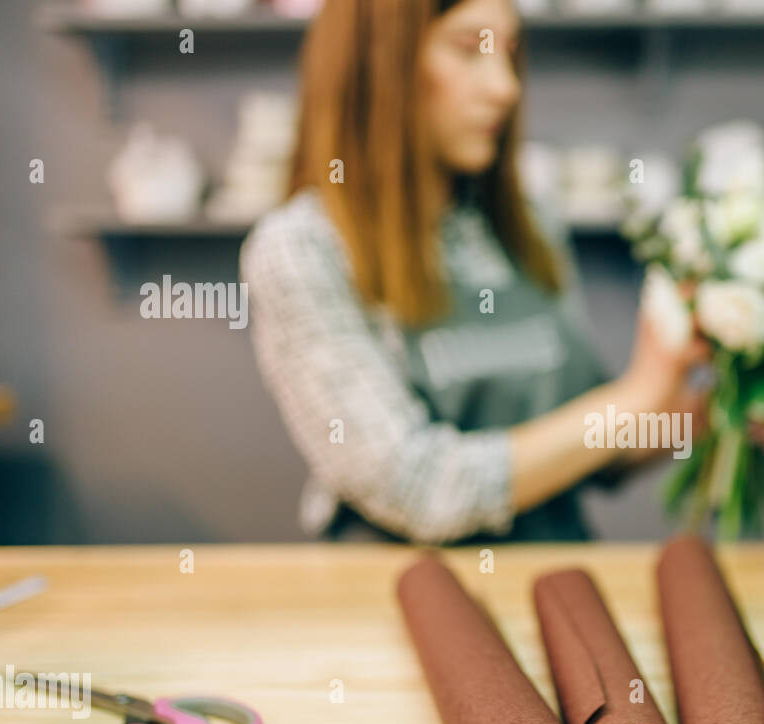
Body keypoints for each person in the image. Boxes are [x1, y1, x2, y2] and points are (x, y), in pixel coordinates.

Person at [240, 0, 707, 544]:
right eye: (470, 49)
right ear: (376, 61)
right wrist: (636, 398)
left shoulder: (528, 222)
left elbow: (594, 449)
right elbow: (419, 490)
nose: (505, 87)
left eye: (509, 54)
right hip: (407, 600)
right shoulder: (301, 249)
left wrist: (700, 414)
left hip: (556, 582)